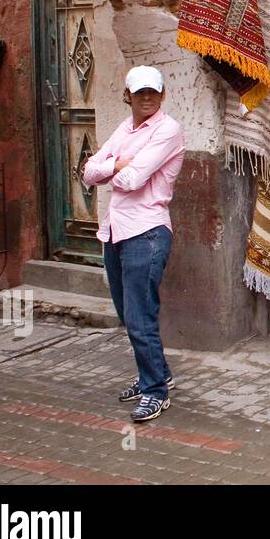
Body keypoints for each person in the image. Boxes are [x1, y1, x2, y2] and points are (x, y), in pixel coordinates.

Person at [81, 65, 185, 422]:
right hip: (116, 231)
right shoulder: (124, 129)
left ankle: (155, 391)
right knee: (129, 315)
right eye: (139, 92)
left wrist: (113, 166)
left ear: (162, 95)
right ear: (127, 95)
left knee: (141, 317)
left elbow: (132, 180)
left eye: (152, 92)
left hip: (148, 231)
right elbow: (88, 171)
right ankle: (157, 375)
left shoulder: (168, 129)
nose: (146, 98)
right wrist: (117, 163)